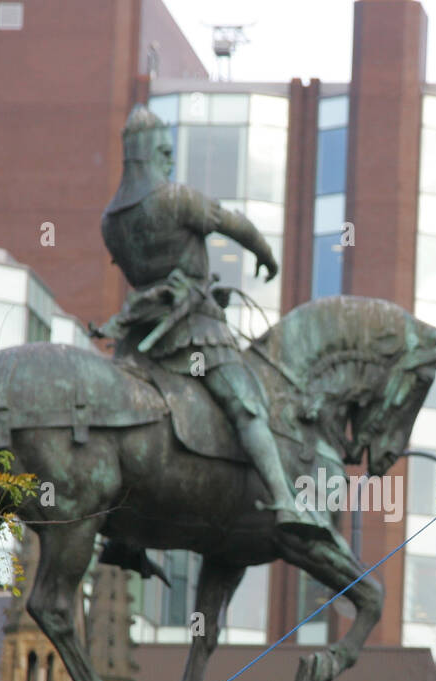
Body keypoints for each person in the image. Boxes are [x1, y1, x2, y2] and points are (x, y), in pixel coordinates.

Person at [93, 105, 330, 542]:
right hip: (194, 332)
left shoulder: (111, 219)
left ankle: (122, 541)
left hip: (138, 339)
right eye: (166, 152)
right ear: (154, 154)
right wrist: (265, 254)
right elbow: (233, 224)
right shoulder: (174, 198)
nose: (170, 160)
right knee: (247, 405)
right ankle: (283, 499)